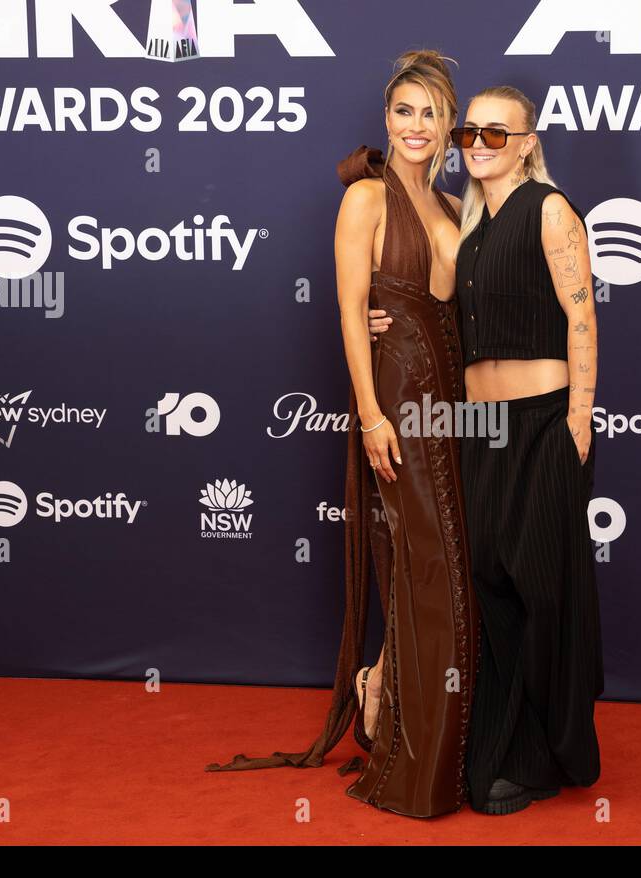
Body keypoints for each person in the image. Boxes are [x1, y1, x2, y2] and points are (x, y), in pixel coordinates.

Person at [205, 51, 479, 820]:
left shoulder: (456, 205)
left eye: (430, 113)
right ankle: (404, 735)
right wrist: (369, 412)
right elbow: (351, 311)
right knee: (423, 563)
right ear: (386, 119)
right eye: (404, 111)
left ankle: (383, 681)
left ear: (449, 122)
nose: (416, 126)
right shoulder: (366, 197)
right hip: (397, 399)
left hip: (455, 402)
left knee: (449, 561)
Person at [369, 86, 603, 815]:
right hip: (481, 431)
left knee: (542, 589)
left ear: (528, 143)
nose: (478, 143)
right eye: (470, 131)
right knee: (492, 587)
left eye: (498, 134)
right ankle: (502, 748)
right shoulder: (467, 229)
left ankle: (549, 750)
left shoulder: (551, 210)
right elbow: (433, 306)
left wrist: (578, 420)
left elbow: (582, 316)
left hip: (540, 422)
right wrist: (388, 315)